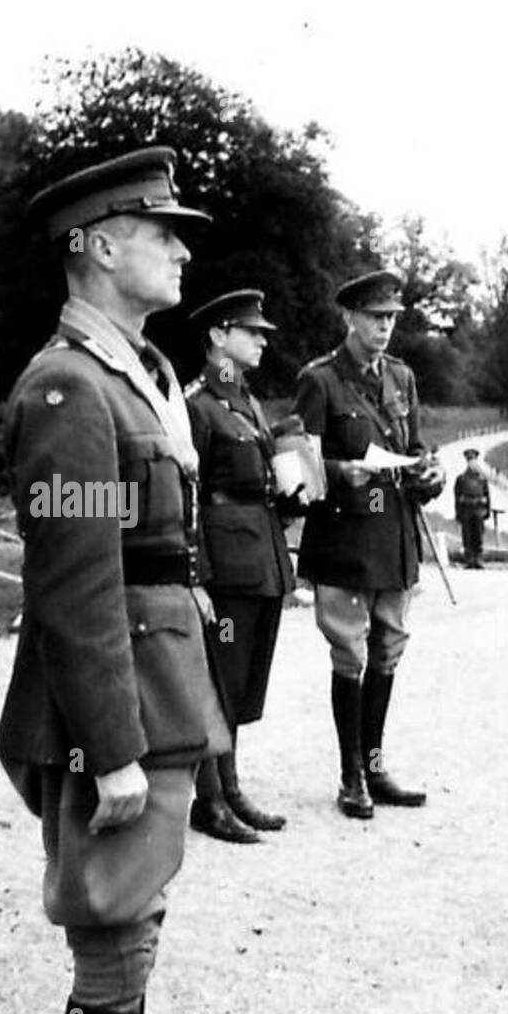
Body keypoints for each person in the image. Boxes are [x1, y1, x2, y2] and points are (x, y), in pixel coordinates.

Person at [0, 147, 247, 1014]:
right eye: (163, 231)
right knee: (110, 932)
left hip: (160, 677)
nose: (184, 248)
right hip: (117, 698)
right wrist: (113, 746)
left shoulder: (129, 370)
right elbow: (76, 584)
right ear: (98, 246)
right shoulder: (67, 386)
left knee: (132, 926)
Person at [293, 269, 446, 819]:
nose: (384, 329)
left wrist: (431, 474)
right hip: (346, 535)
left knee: (388, 649)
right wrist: (339, 470)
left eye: (391, 320)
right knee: (350, 652)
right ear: (348, 319)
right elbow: (300, 465)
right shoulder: (321, 380)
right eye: (375, 318)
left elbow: (418, 447)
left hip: (395, 536)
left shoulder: (402, 378)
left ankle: (376, 766)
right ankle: (350, 774)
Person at [184, 289, 298, 844]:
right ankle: (208, 800)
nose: (261, 340)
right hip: (225, 568)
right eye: (250, 331)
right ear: (217, 337)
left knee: (243, 681)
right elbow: (186, 498)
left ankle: (229, 788)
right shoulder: (197, 405)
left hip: (260, 560)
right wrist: (195, 576)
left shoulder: (249, 404)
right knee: (218, 683)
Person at [454, 446, 492, 568]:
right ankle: (469, 559)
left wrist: (487, 511)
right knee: (468, 536)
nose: (472, 463)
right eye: (470, 461)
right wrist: (458, 513)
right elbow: (457, 497)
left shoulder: (482, 479)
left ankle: (479, 559)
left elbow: (487, 496)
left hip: (479, 510)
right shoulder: (461, 479)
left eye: (474, 461)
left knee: (478, 536)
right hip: (466, 510)